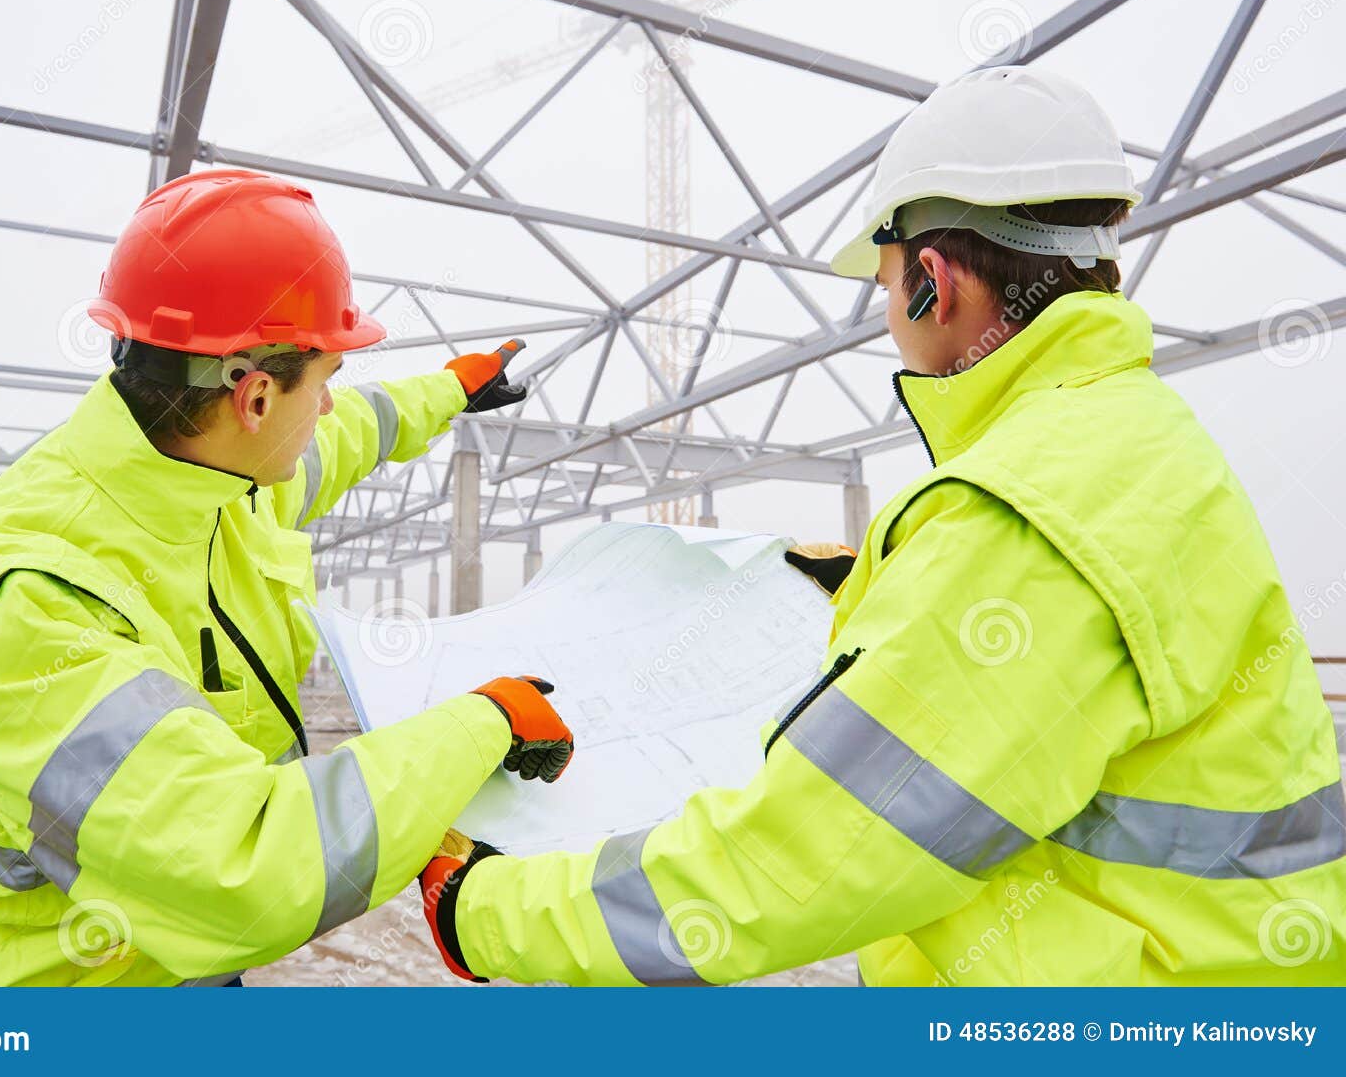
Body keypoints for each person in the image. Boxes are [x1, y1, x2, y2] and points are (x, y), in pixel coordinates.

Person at [417, 66, 1346, 986]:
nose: (888, 311)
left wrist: (485, 911)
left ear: (933, 283)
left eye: (887, 281)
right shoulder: (1132, 439)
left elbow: (789, 864)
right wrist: (902, 593)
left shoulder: (1021, 516)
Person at [0, 169, 574, 986]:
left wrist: (447, 392)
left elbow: (354, 430)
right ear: (252, 398)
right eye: (322, 383)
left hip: (173, 961)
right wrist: (479, 723)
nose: (326, 410)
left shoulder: (226, 486)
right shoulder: (30, 601)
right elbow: (234, 868)